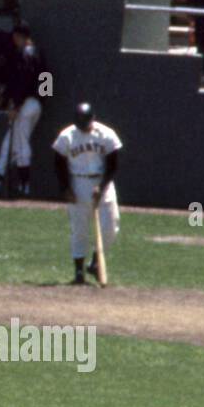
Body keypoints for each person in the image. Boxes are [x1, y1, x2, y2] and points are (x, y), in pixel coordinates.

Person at [51, 103, 122, 285]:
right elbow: (58, 164)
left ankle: (96, 262)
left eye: (86, 123)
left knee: (111, 226)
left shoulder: (106, 134)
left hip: (102, 182)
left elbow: (113, 165)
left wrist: (102, 186)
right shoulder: (67, 136)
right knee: (79, 229)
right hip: (78, 181)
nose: (84, 127)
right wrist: (66, 188)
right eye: (80, 123)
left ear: (93, 118)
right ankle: (79, 272)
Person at [0, 22, 46, 197]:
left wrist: (16, 105)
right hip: (35, 104)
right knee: (9, 142)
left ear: (19, 37)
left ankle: (24, 185)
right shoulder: (39, 53)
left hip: (25, 104)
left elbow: (22, 82)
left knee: (21, 144)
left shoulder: (25, 54)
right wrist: (44, 99)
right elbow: (47, 78)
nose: (14, 40)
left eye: (15, 37)